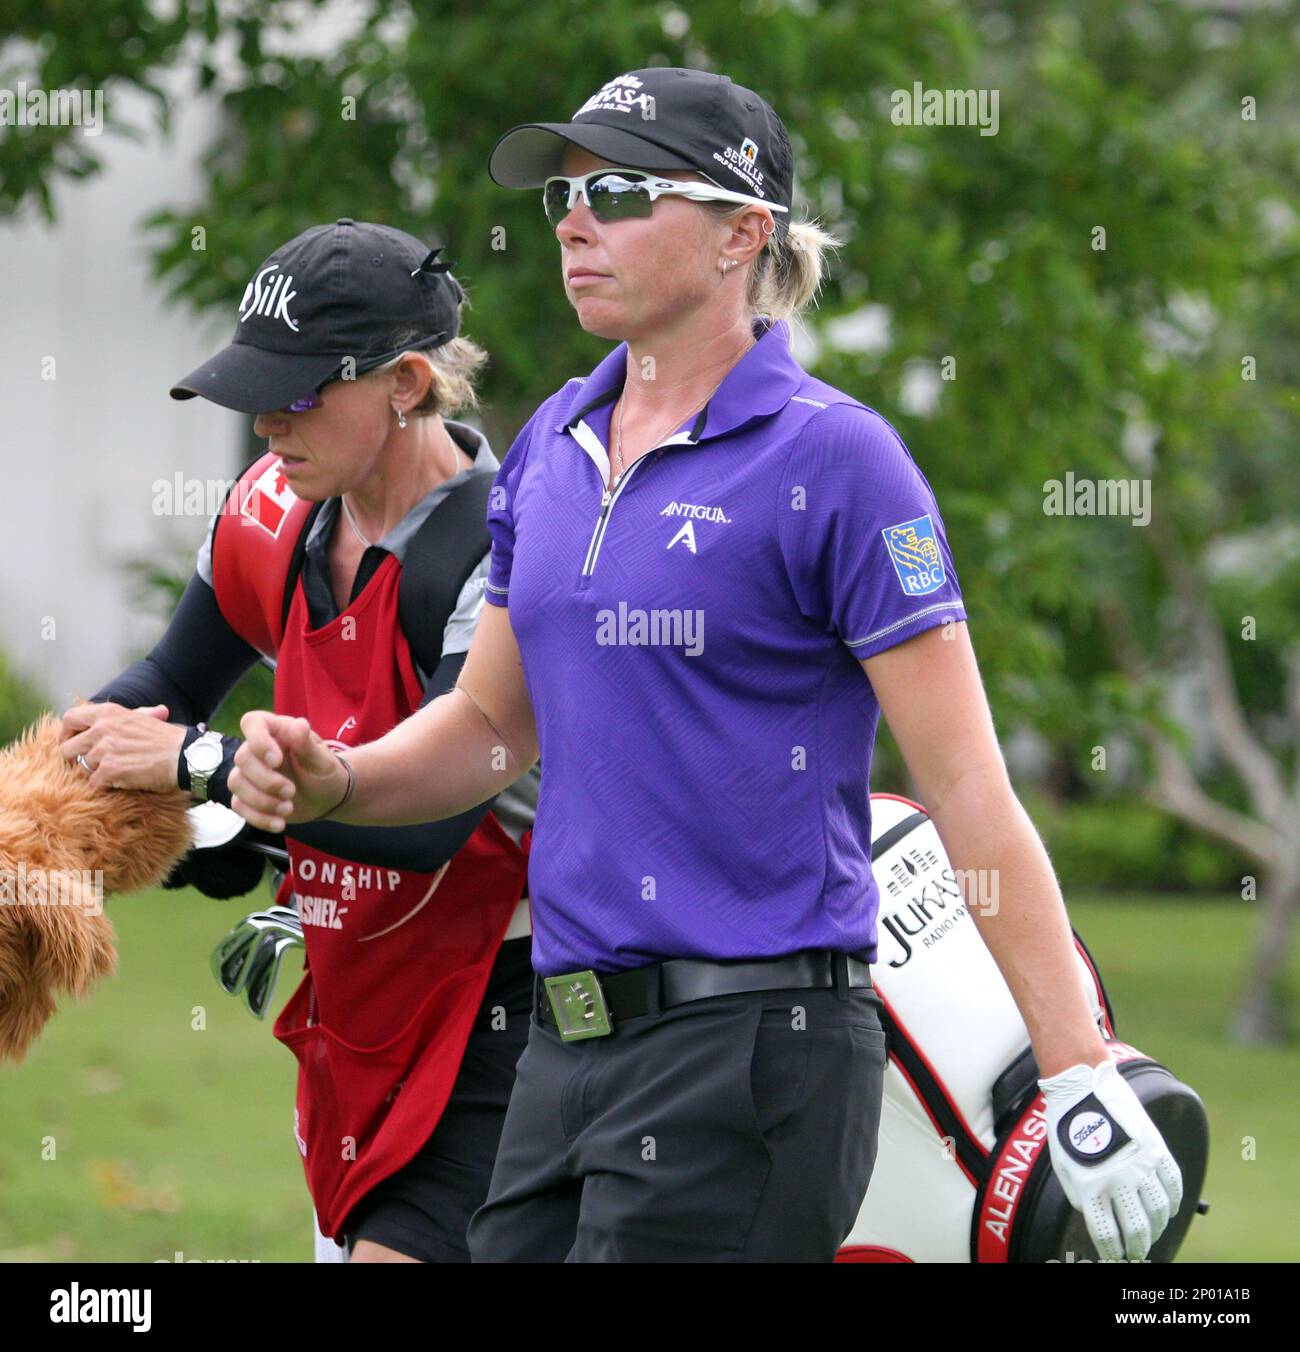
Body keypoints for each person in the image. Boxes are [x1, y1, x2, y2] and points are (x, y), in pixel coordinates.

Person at [227, 70, 1183, 1263]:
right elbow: (490, 726)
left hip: (750, 1049)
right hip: (561, 1050)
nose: (576, 220)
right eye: (565, 196)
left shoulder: (843, 460)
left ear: (744, 233)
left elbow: (970, 786)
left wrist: (1076, 1065)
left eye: (621, 191)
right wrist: (340, 781)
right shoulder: (551, 446)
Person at [58, 219, 540, 1263]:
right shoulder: (273, 506)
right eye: (255, 387)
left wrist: (202, 770)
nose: (266, 420)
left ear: (407, 382)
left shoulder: (505, 545)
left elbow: (429, 820)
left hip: (502, 1013)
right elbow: (169, 683)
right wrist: (50, 789)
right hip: (350, 1003)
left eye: (300, 391)